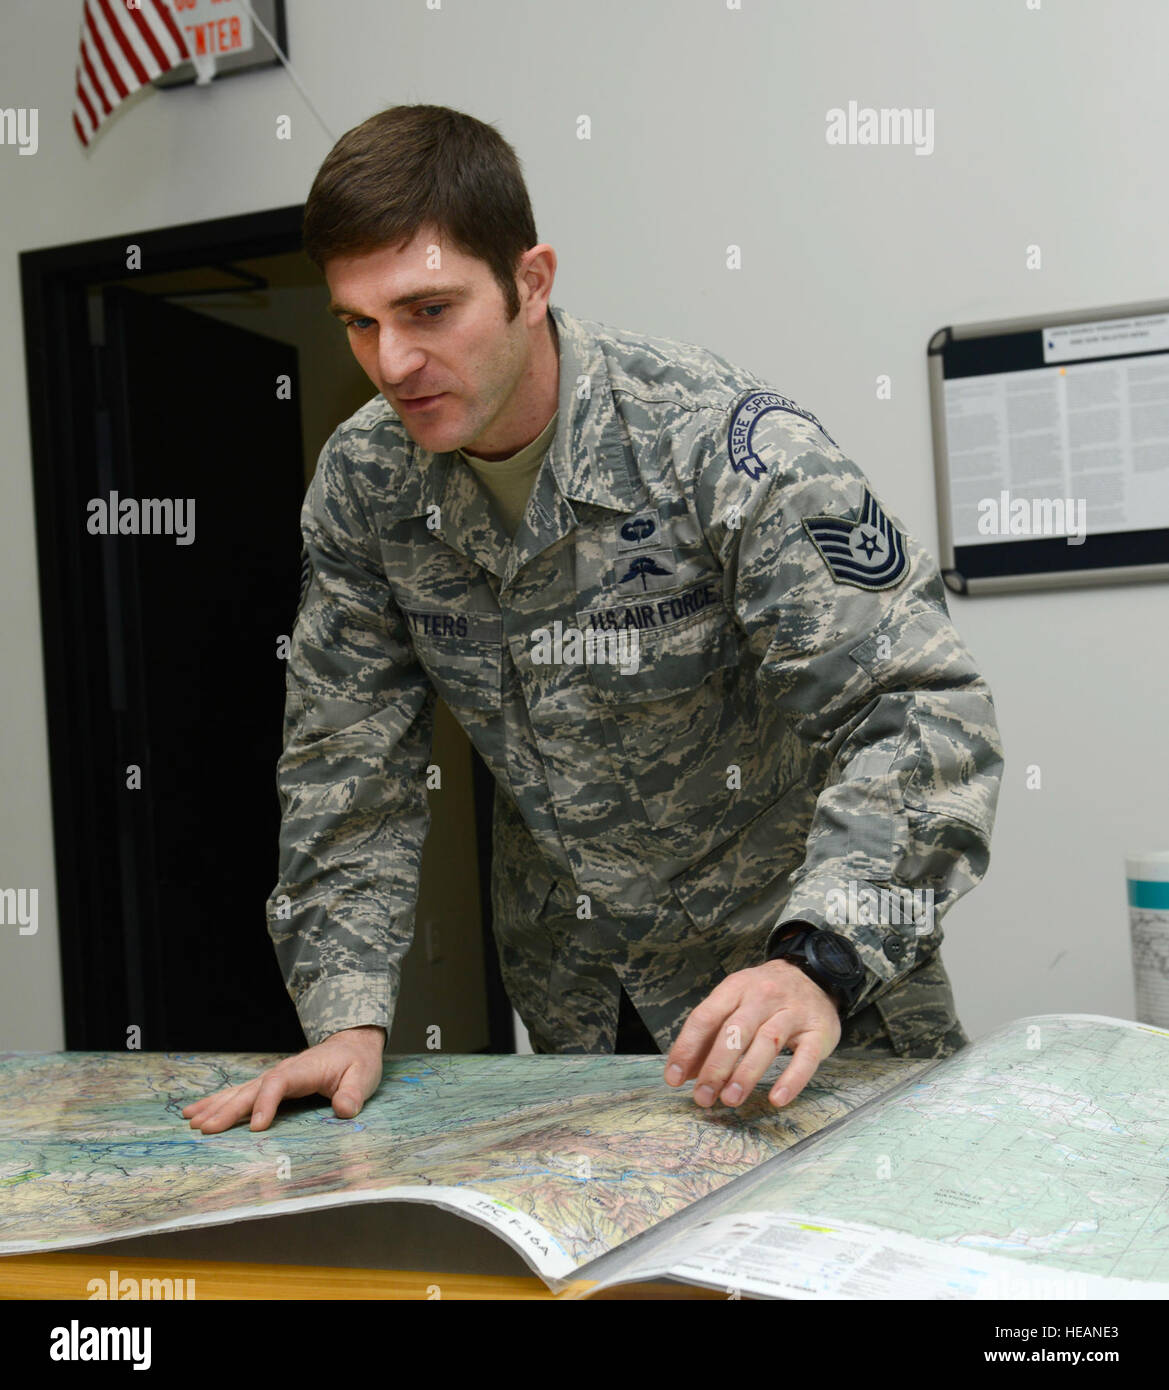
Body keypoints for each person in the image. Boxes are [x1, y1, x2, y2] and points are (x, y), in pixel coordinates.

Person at [183, 104, 1003, 1137]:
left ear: (531, 281)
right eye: (358, 321)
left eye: (427, 310)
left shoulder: (718, 442)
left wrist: (820, 960)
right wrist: (347, 1014)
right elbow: (348, 764)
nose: (390, 362)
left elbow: (923, 713)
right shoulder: (364, 482)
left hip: (808, 1002)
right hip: (584, 1018)